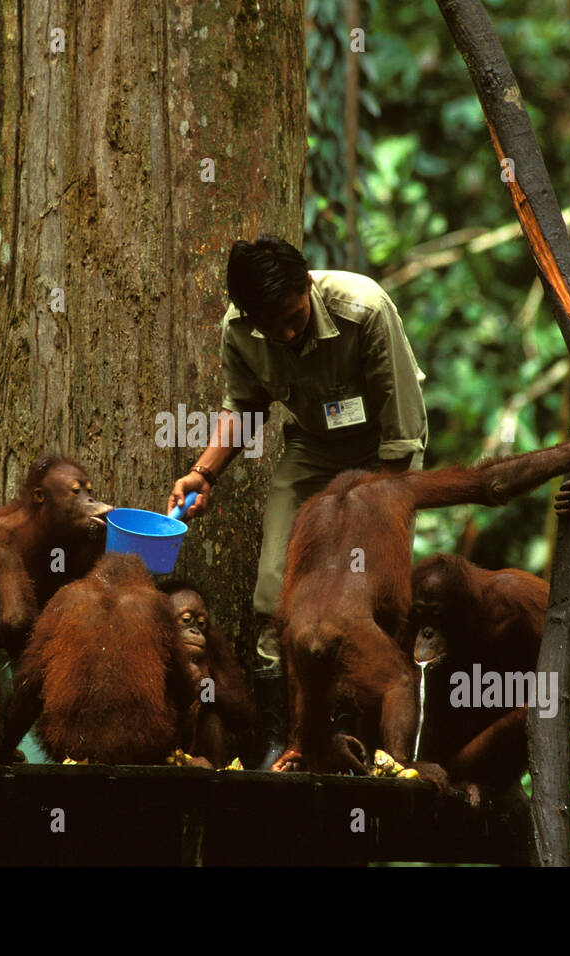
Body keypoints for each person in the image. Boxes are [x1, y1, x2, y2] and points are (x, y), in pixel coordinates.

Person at [165, 235, 428, 761]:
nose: (285, 334)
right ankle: (286, 741)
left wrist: (370, 517)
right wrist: (204, 473)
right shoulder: (240, 331)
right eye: (272, 325)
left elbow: (402, 439)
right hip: (313, 446)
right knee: (274, 598)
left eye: (293, 317)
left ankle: (371, 743)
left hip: (383, 456)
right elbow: (245, 408)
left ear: (307, 284)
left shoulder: (365, 309)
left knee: (364, 602)